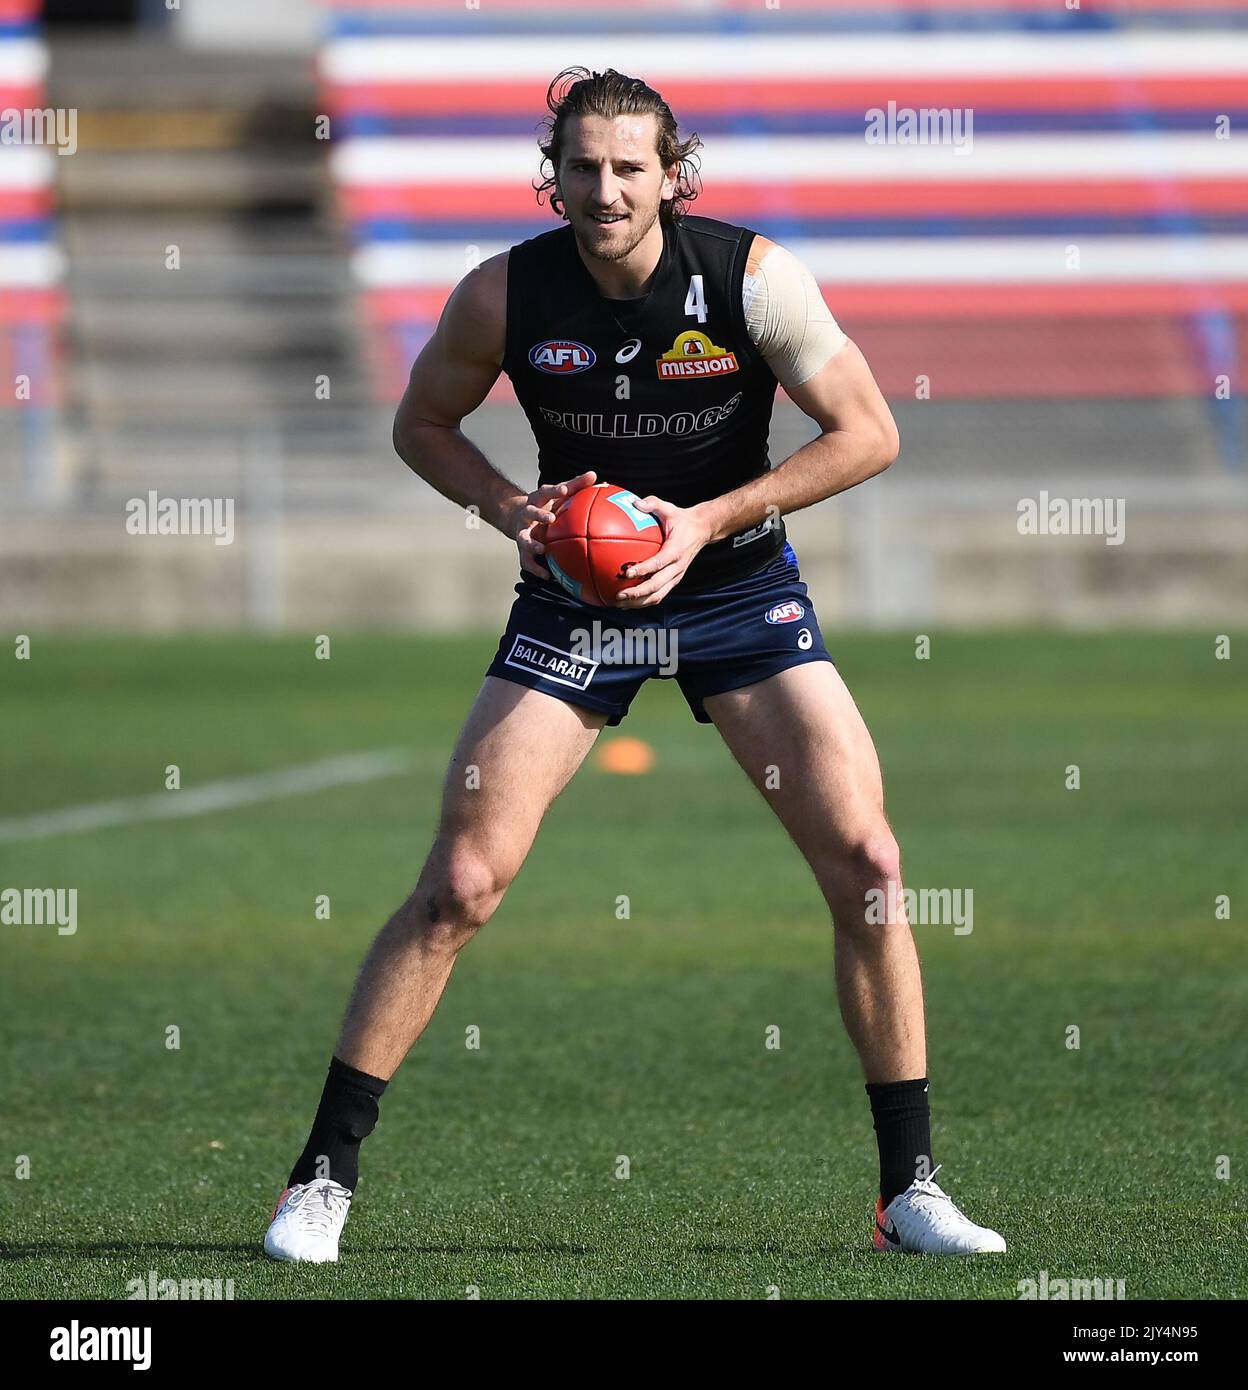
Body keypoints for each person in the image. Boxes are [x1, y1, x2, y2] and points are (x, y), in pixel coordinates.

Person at [264, 66, 1005, 1263]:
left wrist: (709, 522)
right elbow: (422, 424)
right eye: (581, 166)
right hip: (576, 604)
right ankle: (320, 1180)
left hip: (738, 589)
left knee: (870, 859)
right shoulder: (503, 294)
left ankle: (908, 1188)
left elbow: (870, 432)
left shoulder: (752, 278)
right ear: (550, 175)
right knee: (460, 883)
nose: (604, 188)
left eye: (628, 166)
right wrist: (517, 512)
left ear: (674, 173)